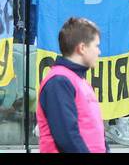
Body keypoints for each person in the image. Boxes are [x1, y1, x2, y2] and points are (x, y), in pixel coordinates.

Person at [36, 17, 107, 153]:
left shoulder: (79, 81)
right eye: (96, 46)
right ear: (82, 48)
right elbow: (66, 136)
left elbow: (98, 135)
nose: (99, 52)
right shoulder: (59, 81)